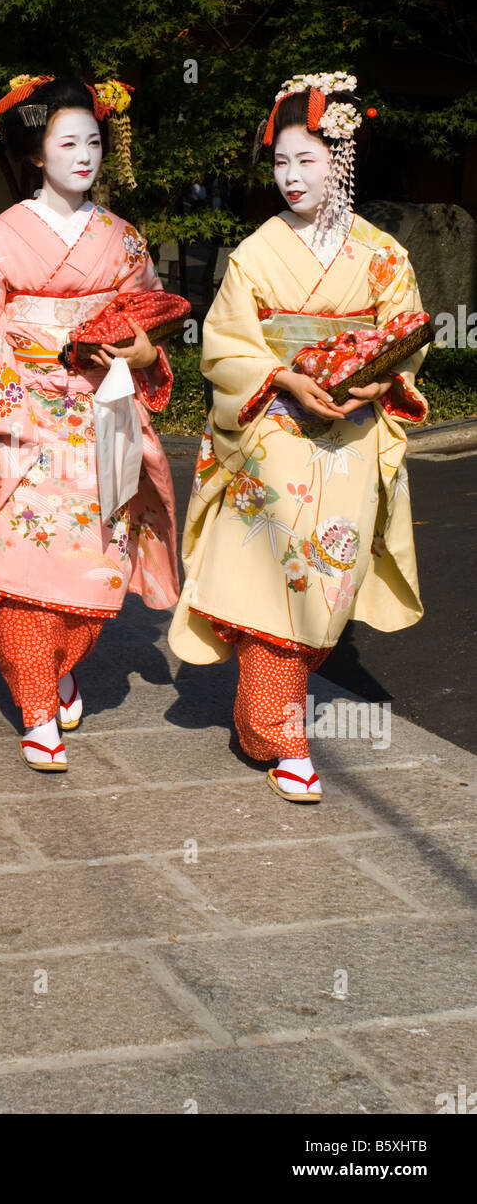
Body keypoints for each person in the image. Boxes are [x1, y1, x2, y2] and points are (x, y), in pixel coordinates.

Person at [168, 71, 428, 802]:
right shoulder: (256, 252)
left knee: (326, 580)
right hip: (277, 430)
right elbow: (224, 343)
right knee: (272, 574)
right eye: (281, 162)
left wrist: (380, 379)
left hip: (349, 434)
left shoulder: (382, 254)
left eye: (307, 160)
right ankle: (281, 732)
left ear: (340, 160)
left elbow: (406, 336)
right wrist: (281, 378)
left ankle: (261, 718)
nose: (290, 176)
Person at [0, 74, 180, 771]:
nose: (85, 156)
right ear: (34, 155)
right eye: (66, 142)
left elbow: (149, 319)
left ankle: (60, 663)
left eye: (94, 142)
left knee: (97, 567)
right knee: (15, 564)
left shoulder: (123, 241)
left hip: (103, 414)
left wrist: (140, 349)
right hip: (24, 414)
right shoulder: (3, 236)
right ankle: (37, 705)